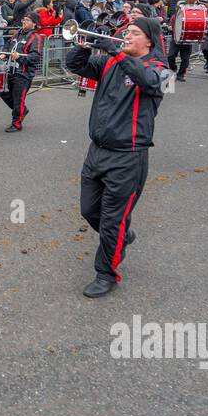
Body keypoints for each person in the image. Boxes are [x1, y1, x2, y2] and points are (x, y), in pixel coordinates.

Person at [66, 17, 169, 297]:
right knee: (89, 209)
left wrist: (114, 50)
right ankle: (122, 236)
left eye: (134, 33)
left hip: (128, 156)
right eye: (126, 32)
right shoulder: (111, 62)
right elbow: (74, 66)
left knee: (112, 220)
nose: (127, 36)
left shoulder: (159, 69)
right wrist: (85, 46)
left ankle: (106, 273)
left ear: (149, 40)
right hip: (97, 150)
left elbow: (148, 81)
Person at [0, 14, 45, 132]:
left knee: (18, 98)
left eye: (27, 20)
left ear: (34, 23)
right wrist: (4, 53)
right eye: (23, 19)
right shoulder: (17, 33)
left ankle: (17, 123)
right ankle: (21, 110)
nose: (24, 21)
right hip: (11, 70)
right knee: (3, 93)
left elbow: (35, 57)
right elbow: (7, 45)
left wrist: (19, 57)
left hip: (24, 73)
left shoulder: (36, 37)